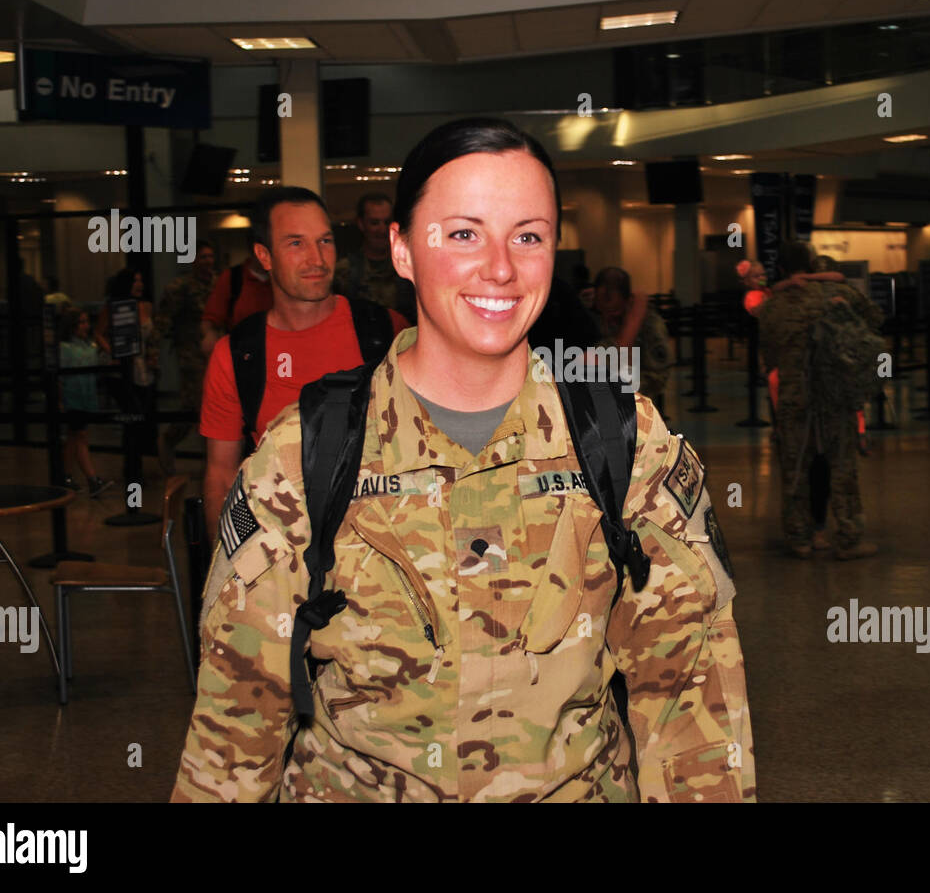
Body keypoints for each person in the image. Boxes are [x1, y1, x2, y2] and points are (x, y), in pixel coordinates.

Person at [172, 117, 755, 803]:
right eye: (463, 233)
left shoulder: (625, 444)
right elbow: (238, 719)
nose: (501, 268)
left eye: (528, 236)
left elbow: (689, 702)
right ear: (402, 250)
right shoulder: (307, 453)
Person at [198, 187, 408, 537]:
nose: (317, 259)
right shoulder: (238, 355)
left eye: (324, 241)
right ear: (264, 256)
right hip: (283, 556)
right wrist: (228, 577)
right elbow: (221, 475)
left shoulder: (384, 332)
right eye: (296, 243)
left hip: (379, 550)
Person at [757, 240, 883, 560]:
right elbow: (874, 319)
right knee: (842, 465)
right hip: (835, 393)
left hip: (793, 395)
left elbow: (768, 354)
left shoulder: (773, 305)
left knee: (795, 466)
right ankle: (849, 537)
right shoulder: (836, 293)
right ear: (813, 264)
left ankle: (800, 537)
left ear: (783, 269)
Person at [153, 238, 218, 474]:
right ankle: (169, 440)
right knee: (196, 408)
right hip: (191, 356)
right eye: (203, 257)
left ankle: (213, 461)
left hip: (216, 355)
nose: (208, 262)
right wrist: (153, 355)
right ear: (193, 260)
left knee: (214, 408)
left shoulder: (219, 284)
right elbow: (161, 322)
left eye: (211, 256)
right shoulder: (180, 288)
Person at [95, 267, 159, 455]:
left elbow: (153, 335)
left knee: (144, 414)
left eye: (140, 280)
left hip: (144, 366)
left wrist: (153, 354)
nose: (139, 285)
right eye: (134, 281)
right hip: (121, 365)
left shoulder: (146, 306)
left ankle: (142, 457)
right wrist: (112, 351)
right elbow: (98, 333)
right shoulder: (113, 307)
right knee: (132, 414)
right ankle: (132, 464)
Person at [592, 266, 671, 414]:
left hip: (640, 397)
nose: (607, 318)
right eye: (602, 311)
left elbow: (658, 376)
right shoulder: (592, 316)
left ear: (628, 301)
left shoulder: (649, 324)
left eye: (615, 312)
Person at [334, 191, 417, 322]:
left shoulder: (409, 268)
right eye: (374, 223)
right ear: (361, 224)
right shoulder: (343, 272)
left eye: (387, 222)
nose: (382, 229)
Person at [57, 308, 113, 497]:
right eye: (81, 322)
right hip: (72, 398)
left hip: (86, 397)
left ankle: (64, 476)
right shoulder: (64, 348)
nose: (86, 326)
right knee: (80, 436)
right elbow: (59, 378)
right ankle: (92, 480)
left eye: (86, 321)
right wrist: (59, 400)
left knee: (75, 437)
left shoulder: (89, 346)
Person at [200, 250, 273, 357]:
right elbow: (210, 320)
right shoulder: (233, 277)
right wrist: (209, 335)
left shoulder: (284, 278)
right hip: (242, 353)